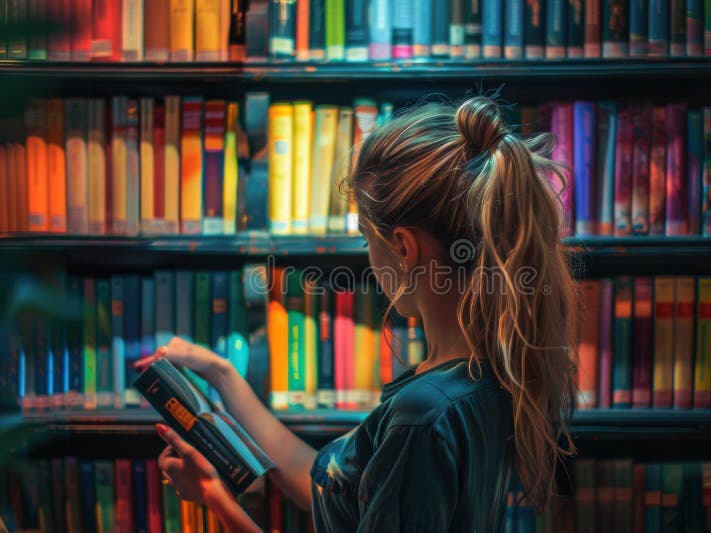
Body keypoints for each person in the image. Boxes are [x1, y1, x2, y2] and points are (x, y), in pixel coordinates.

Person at [136, 95, 578, 532]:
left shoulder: (421, 418)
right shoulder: (480, 378)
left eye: (368, 238)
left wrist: (215, 497)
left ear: (404, 248)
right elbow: (328, 486)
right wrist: (221, 374)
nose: (369, 256)